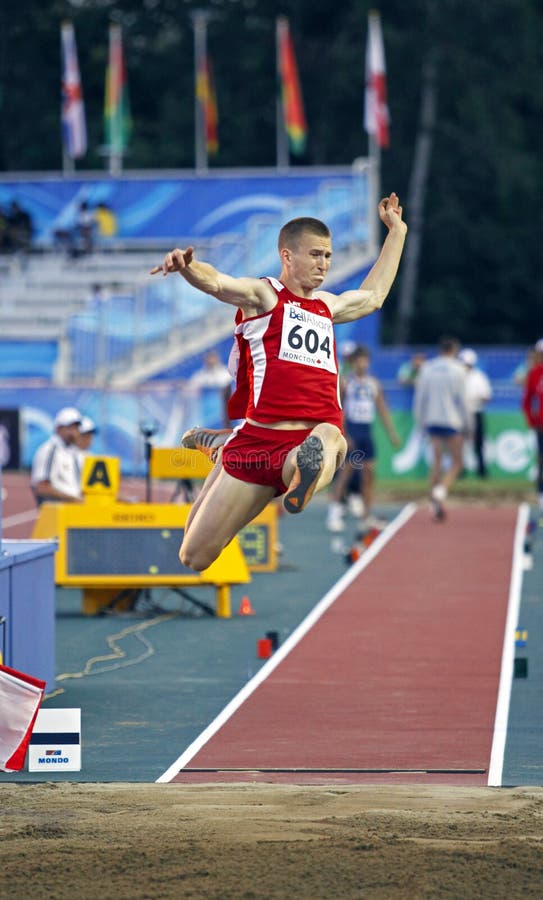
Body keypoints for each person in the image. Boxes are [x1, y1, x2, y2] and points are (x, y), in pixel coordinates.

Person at [151, 192, 407, 571]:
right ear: (287, 255)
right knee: (194, 556)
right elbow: (219, 283)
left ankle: (300, 470)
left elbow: (373, 296)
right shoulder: (265, 296)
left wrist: (397, 232)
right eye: (315, 254)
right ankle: (225, 447)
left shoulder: (328, 307)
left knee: (330, 439)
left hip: (309, 437)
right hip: (257, 440)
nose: (324, 264)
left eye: (328, 256)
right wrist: (187, 268)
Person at [326, 345, 401, 532]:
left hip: (366, 431)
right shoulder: (346, 382)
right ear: (354, 362)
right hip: (352, 429)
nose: (363, 363)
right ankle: (334, 512)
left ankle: (366, 516)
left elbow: (382, 409)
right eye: (360, 360)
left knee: (369, 474)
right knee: (346, 473)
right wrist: (342, 433)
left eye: (366, 360)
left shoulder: (373, 383)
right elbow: (339, 408)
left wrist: (392, 433)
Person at [413, 336, 470, 520]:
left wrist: (420, 421)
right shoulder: (459, 369)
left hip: (432, 419)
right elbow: (462, 400)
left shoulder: (427, 368)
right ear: (454, 350)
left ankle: (435, 506)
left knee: (436, 462)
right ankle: (441, 491)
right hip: (452, 420)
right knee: (457, 462)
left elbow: (420, 398)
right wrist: (468, 424)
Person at [31, 407, 83, 505]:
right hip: (56, 513)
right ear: (58, 429)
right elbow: (42, 488)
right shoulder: (50, 450)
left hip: (71, 511)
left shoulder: (73, 452)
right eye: (70, 428)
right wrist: (75, 500)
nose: (74, 432)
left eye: (76, 428)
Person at [458, 348, 492, 478]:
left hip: (476, 412)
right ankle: (460, 470)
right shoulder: (456, 376)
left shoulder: (479, 376)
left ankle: (481, 471)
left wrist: (476, 398)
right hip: (460, 413)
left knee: (478, 443)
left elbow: (487, 395)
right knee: (459, 444)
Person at [522, 338, 543, 512]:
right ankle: (541, 493)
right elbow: (527, 400)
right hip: (541, 423)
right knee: (542, 458)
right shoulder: (534, 373)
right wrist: (531, 419)